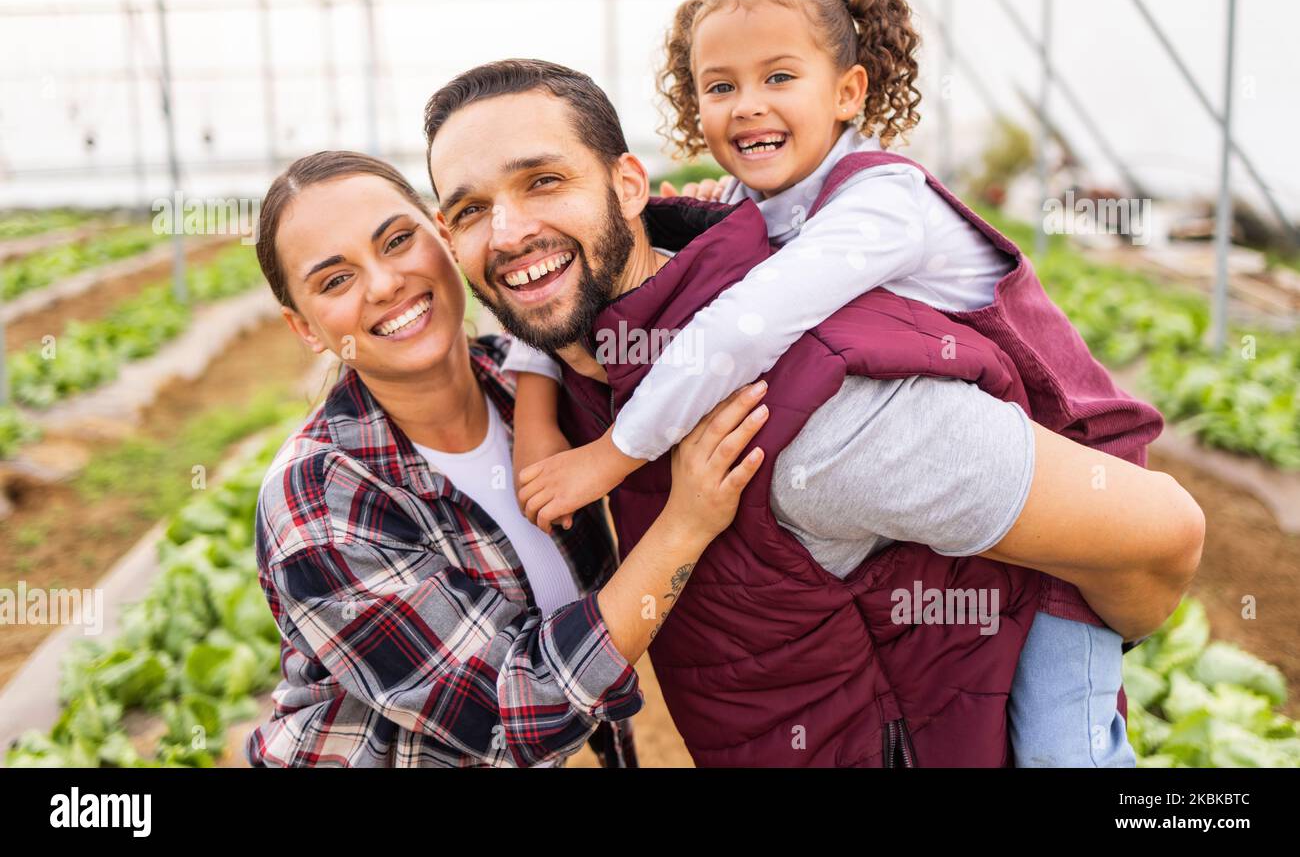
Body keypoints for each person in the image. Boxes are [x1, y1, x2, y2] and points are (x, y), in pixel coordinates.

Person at [424, 57, 1205, 767]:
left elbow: (1164, 536)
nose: (508, 232)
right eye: (468, 211)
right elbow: (537, 299)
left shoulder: (817, 414)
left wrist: (1075, 660)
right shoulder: (592, 355)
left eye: (542, 182)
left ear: (629, 187)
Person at [243, 151, 766, 767]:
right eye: (335, 280)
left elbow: (643, 316)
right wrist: (685, 526)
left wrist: (690, 223)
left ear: (444, 234)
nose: (384, 284)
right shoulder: (317, 499)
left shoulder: (525, 383)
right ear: (303, 327)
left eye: (398, 240)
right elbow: (514, 707)